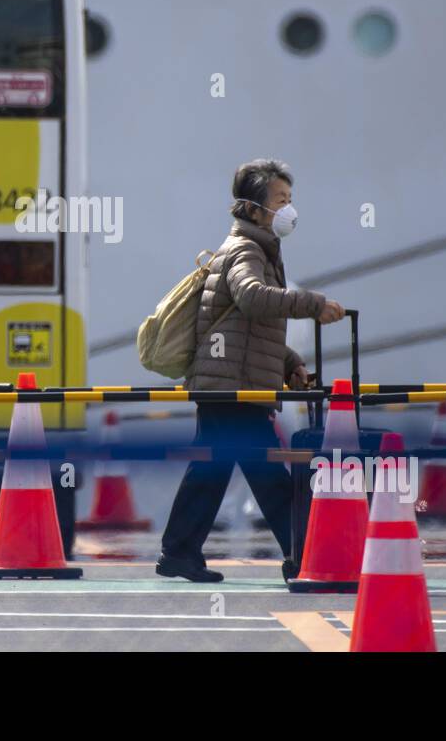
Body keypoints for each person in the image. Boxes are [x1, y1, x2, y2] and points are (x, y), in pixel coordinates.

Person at [157, 159, 344, 584]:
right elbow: (253, 297)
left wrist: (290, 365)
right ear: (254, 208)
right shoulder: (245, 249)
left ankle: (179, 552)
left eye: (290, 200)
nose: (289, 210)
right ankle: (302, 553)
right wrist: (311, 305)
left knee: (216, 470)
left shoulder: (259, 247)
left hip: (231, 379)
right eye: (281, 200)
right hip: (230, 385)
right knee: (264, 472)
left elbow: (249, 329)